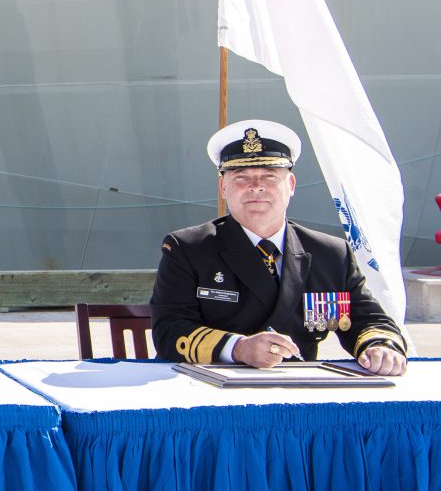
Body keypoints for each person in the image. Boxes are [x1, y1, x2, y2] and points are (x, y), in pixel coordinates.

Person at [151, 119, 406, 375]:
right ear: (223, 187)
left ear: (291, 185)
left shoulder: (330, 254)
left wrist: (380, 347)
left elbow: (367, 319)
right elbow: (170, 330)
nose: (256, 186)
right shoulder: (188, 249)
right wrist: (238, 348)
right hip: (209, 382)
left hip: (298, 384)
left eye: (270, 176)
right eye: (241, 177)